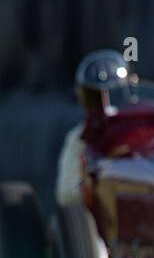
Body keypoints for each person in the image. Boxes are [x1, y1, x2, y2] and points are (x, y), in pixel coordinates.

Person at [56, 49, 138, 208]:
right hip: (104, 225)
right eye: (95, 98)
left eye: (114, 94)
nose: (106, 105)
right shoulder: (80, 138)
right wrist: (92, 182)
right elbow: (65, 194)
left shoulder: (148, 126)